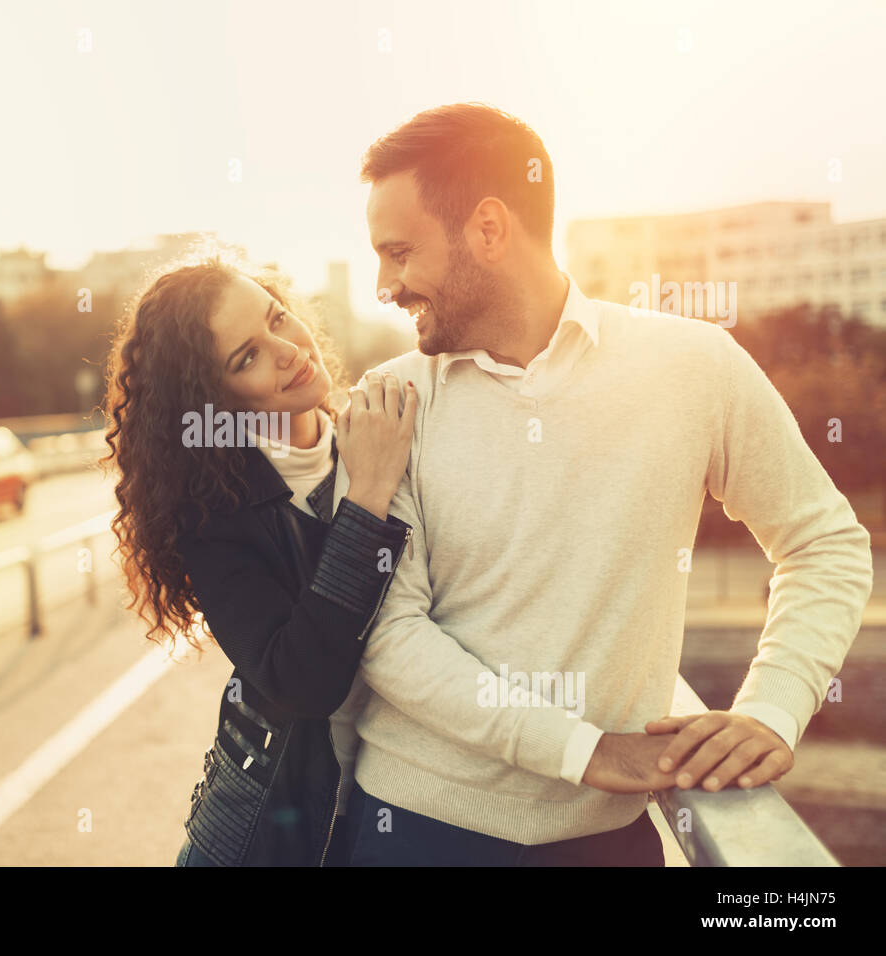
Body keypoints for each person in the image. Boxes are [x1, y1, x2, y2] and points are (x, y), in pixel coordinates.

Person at [335, 103, 873, 865]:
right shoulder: (389, 403)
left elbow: (824, 543)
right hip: (414, 829)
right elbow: (389, 635)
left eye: (398, 253)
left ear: (488, 229)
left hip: (606, 844)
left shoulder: (694, 367)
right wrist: (586, 752)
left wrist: (773, 709)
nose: (384, 286)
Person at [100, 255, 416, 865]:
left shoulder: (371, 432)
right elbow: (302, 681)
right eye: (247, 357)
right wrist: (367, 499)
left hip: (386, 811)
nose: (289, 350)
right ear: (214, 400)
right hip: (267, 836)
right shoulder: (212, 516)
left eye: (277, 318)